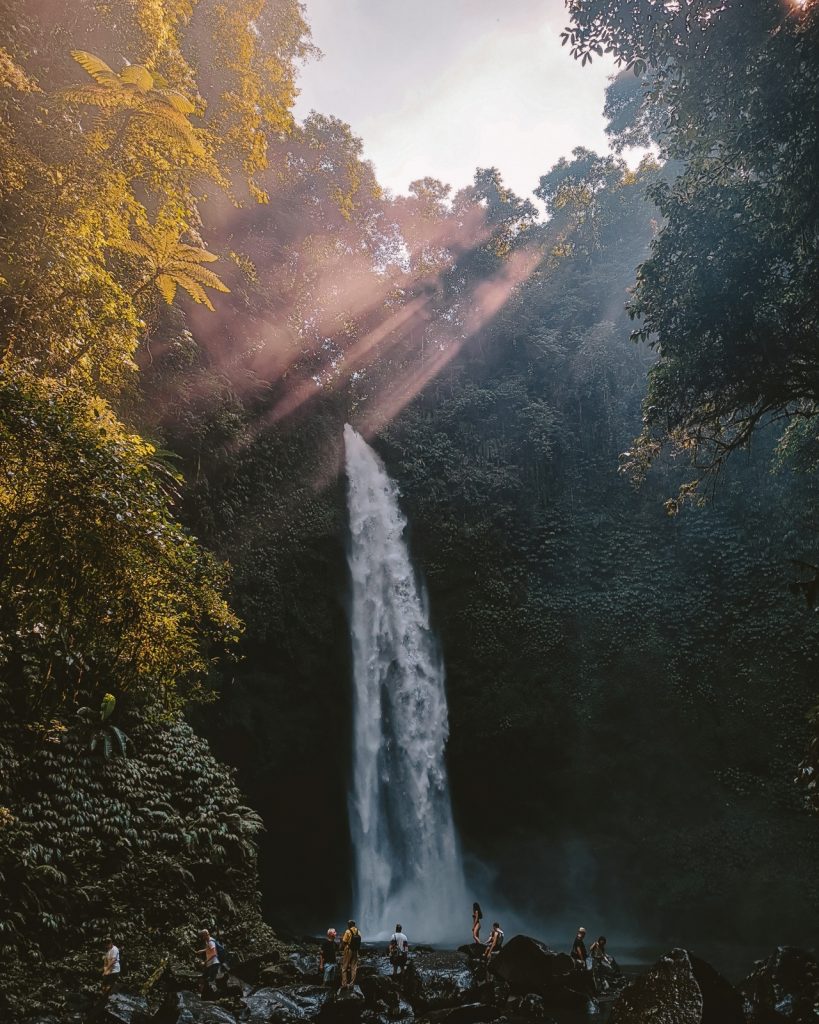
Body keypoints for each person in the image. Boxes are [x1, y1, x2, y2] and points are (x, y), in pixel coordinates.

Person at [198, 928, 221, 995]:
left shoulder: (210, 941)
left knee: (211, 980)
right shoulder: (209, 941)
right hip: (211, 963)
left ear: (206, 935)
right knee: (206, 978)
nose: (202, 937)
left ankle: (214, 995)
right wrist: (202, 951)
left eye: (203, 935)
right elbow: (209, 949)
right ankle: (207, 993)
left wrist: (204, 962)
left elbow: (213, 952)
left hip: (213, 963)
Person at [340, 919, 361, 989]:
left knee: (344, 967)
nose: (347, 925)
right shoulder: (359, 932)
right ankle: (352, 984)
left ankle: (344, 984)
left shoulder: (348, 931)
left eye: (348, 924)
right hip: (356, 951)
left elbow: (344, 942)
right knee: (354, 967)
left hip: (348, 950)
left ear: (350, 924)